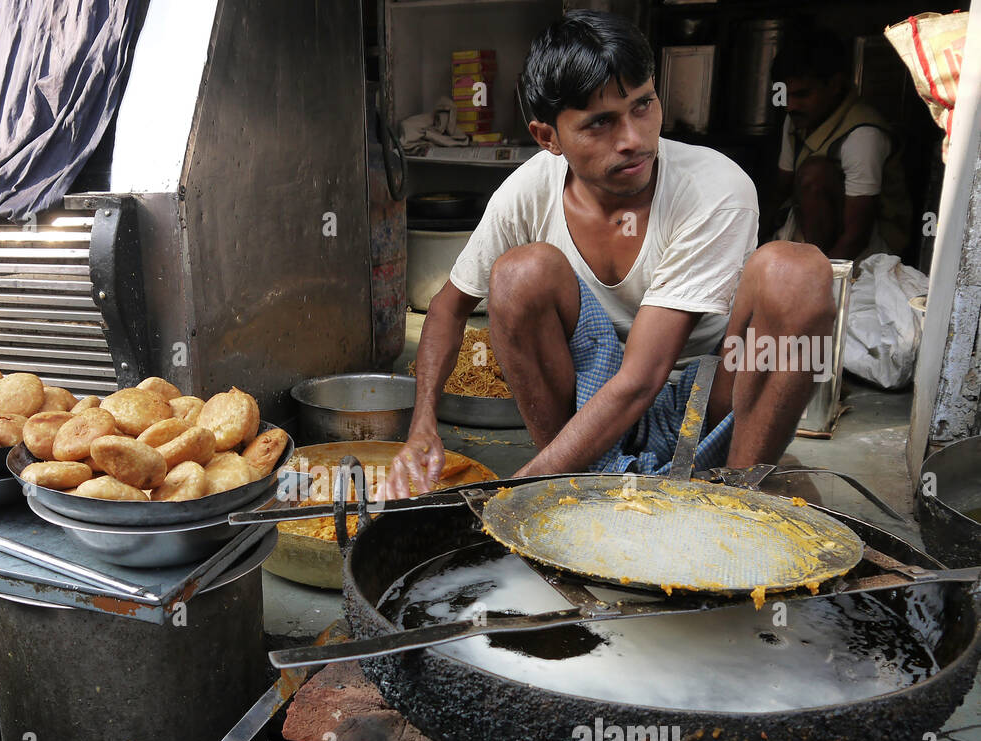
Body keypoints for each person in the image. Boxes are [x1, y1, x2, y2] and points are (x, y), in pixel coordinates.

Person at [381, 10, 835, 499]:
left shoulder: (716, 188)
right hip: (588, 406)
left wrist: (513, 494)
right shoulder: (530, 190)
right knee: (519, 275)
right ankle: (569, 489)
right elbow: (449, 307)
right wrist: (422, 425)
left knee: (797, 272)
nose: (634, 140)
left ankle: (740, 501)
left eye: (643, 106)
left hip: (709, 402)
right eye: (600, 122)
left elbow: (643, 378)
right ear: (547, 137)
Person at [767, 27, 911, 262]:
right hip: (811, 231)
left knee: (815, 175)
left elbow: (857, 236)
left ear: (834, 85)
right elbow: (782, 187)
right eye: (786, 95)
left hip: (868, 249)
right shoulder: (796, 119)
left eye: (802, 94)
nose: (790, 106)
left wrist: (819, 281)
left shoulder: (863, 136)